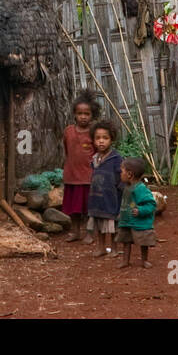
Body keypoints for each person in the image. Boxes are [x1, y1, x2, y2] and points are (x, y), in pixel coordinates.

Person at [62, 95, 97, 242]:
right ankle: (75, 231)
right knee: (73, 209)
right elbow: (67, 150)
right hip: (71, 176)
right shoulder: (68, 131)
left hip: (89, 177)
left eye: (86, 114)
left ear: (92, 115)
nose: (83, 117)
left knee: (90, 209)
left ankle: (89, 233)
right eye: (80, 114)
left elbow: (98, 153)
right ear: (74, 115)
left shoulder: (94, 132)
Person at [87, 121, 122, 258]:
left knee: (111, 225)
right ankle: (101, 247)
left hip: (111, 197)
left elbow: (121, 178)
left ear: (111, 139)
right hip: (96, 198)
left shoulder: (116, 158)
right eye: (98, 138)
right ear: (93, 140)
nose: (101, 141)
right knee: (98, 224)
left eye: (105, 138)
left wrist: (120, 192)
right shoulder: (95, 159)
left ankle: (113, 248)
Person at [115, 157, 157, 269]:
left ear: (129, 174)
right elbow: (129, 202)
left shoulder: (140, 189)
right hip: (126, 220)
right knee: (126, 241)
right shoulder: (127, 187)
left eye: (122, 171)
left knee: (143, 241)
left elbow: (151, 204)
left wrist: (140, 210)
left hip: (139, 222)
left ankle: (144, 260)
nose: (120, 174)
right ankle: (125, 261)